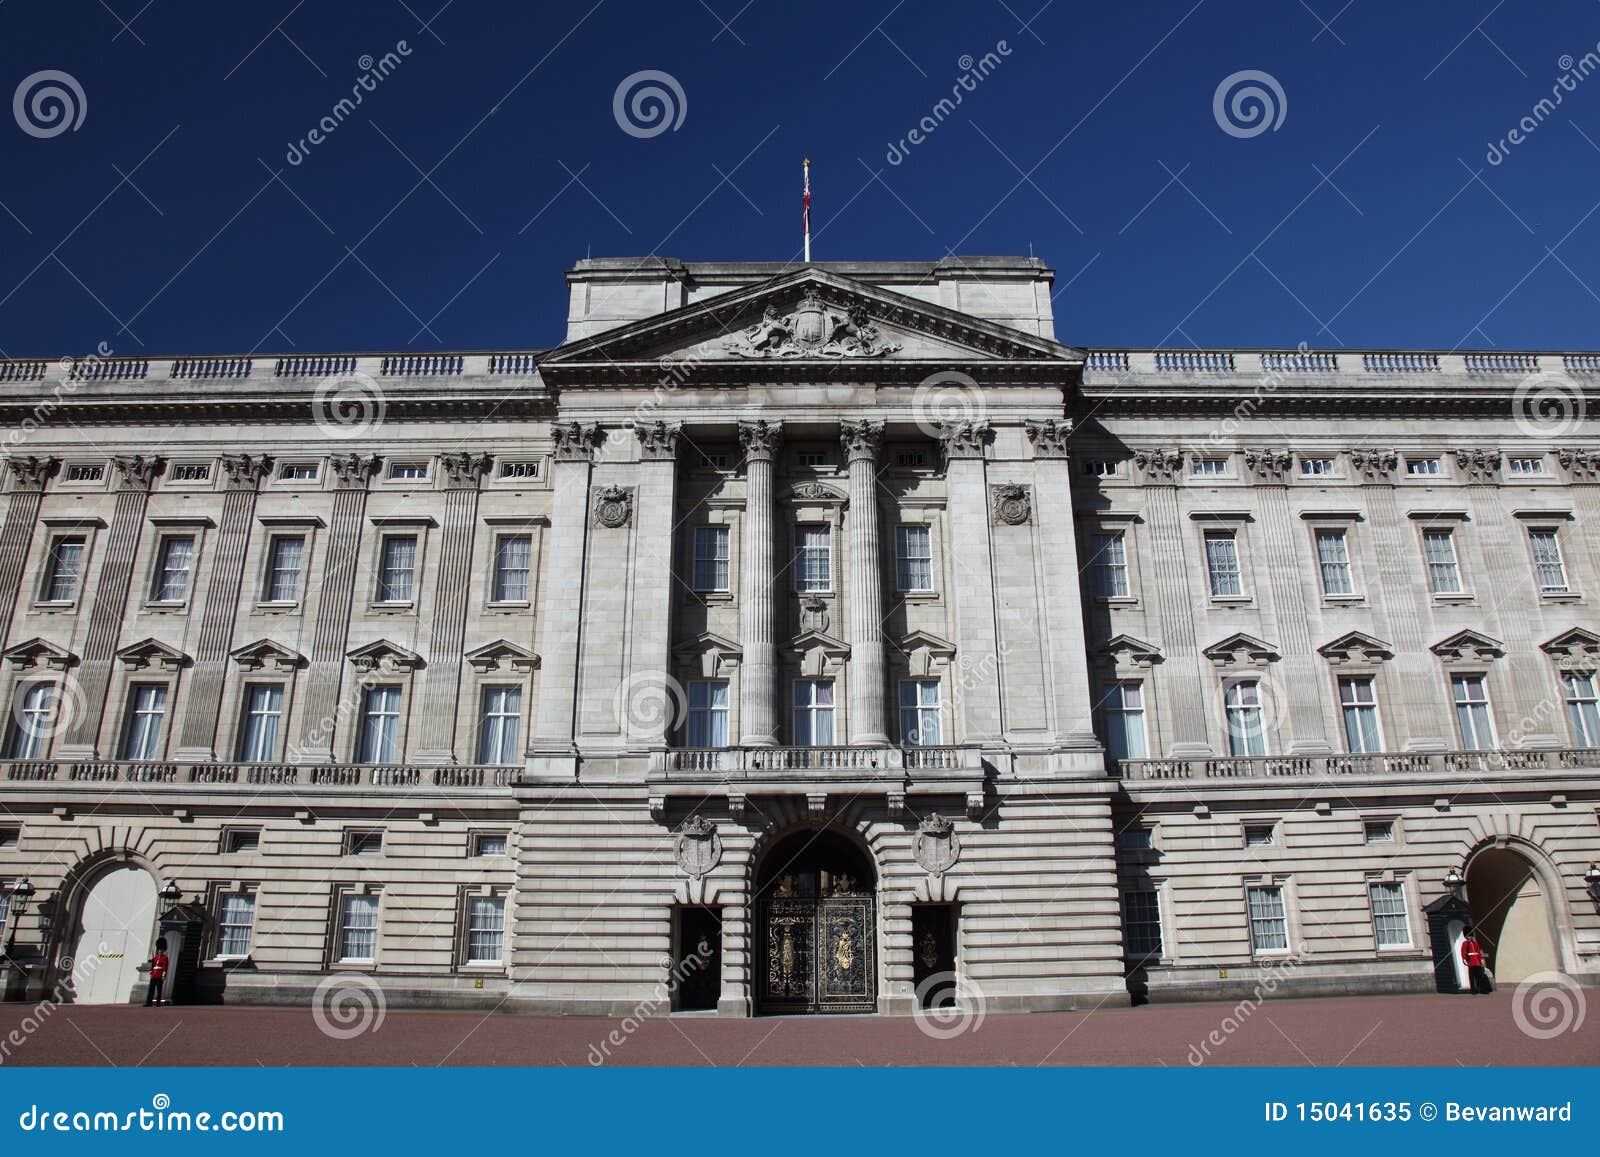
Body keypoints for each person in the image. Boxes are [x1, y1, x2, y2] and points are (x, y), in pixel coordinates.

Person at [1460, 927, 1490, 994]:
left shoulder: (1475, 943)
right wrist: (1464, 959)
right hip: (1470, 962)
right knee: (1472, 978)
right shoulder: (1465, 943)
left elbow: (1478, 952)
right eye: (1468, 936)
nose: (1470, 937)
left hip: (1477, 962)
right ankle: (1473, 990)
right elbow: (1463, 952)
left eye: (1470, 936)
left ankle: (1481, 989)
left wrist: (1480, 960)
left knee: (1479, 977)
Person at [144, 938, 169, 1007]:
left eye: (161, 950)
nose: (160, 951)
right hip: (154, 975)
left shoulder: (165, 958)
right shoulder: (155, 958)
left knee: (159, 990)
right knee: (151, 990)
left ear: (163, 950)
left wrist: (164, 975)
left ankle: (158, 1002)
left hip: (159, 975)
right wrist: (151, 970)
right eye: (159, 950)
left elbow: (165, 967)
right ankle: (148, 1002)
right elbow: (153, 965)